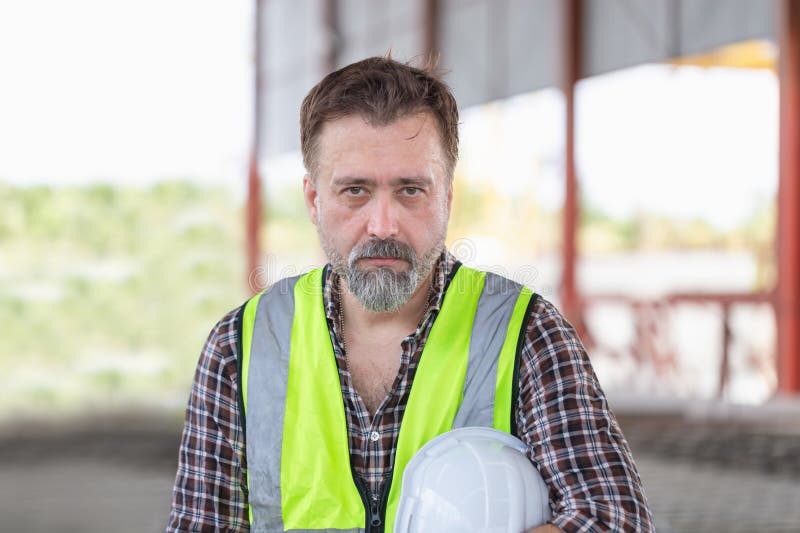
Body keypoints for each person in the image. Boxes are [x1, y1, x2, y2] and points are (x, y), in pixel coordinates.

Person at [166, 56, 654, 532]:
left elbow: (612, 518)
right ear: (314, 200)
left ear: (446, 196)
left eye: (410, 190)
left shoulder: (526, 334)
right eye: (355, 191)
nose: (383, 225)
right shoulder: (241, 345)